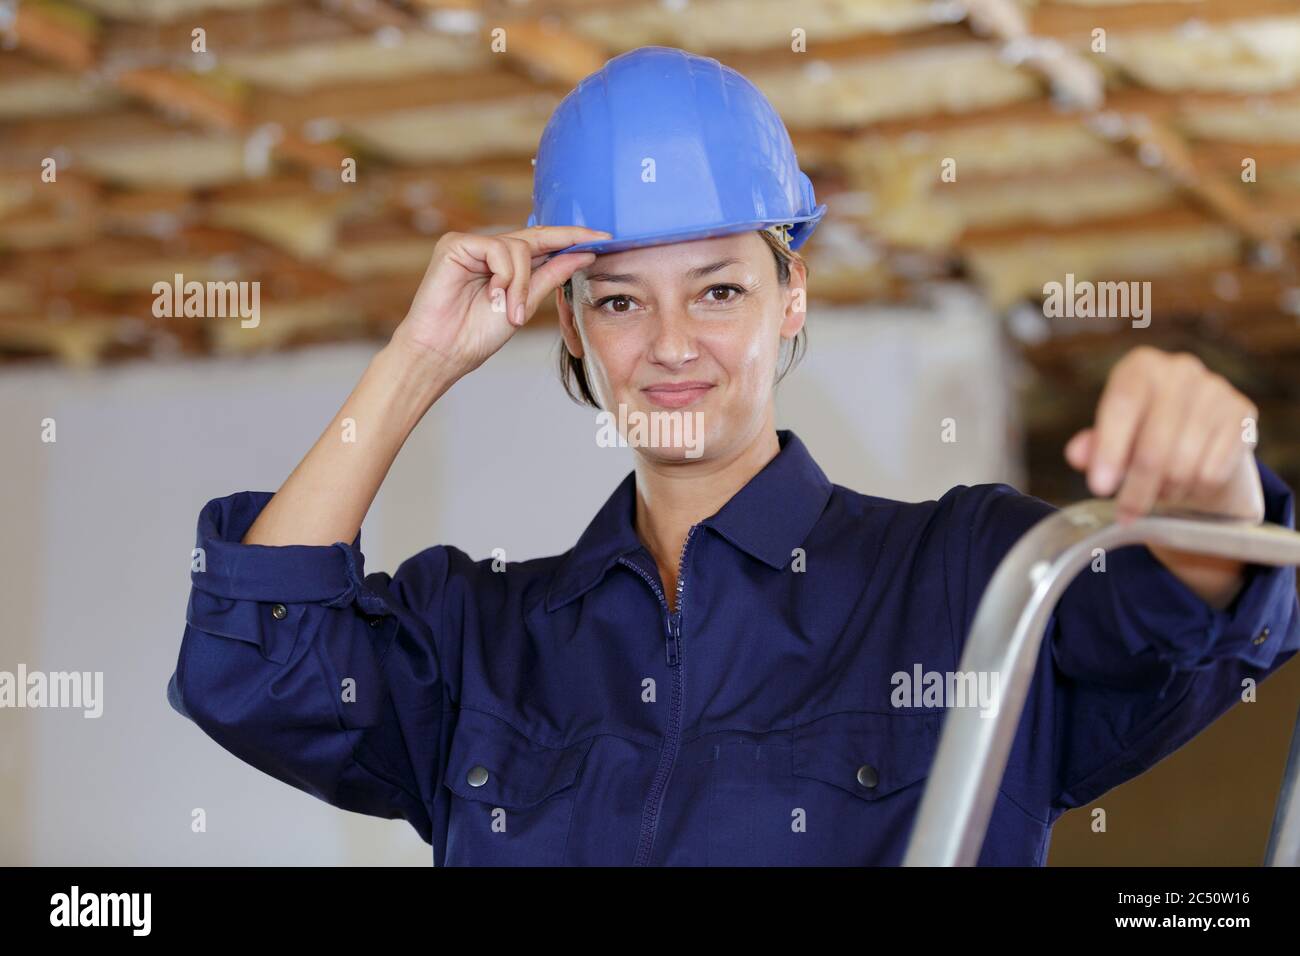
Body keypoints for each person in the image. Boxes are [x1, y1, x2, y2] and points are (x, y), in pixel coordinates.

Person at [166, 46, 1299, 866]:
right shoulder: (481, 638)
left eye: (717, 288)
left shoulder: (966, 578)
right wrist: (417, 358)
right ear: (570, 325)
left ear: (789, 294)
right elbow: (258, 669)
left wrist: (1210, 481)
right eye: (617, 300)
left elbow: (1187, 610)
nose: (668, 347)